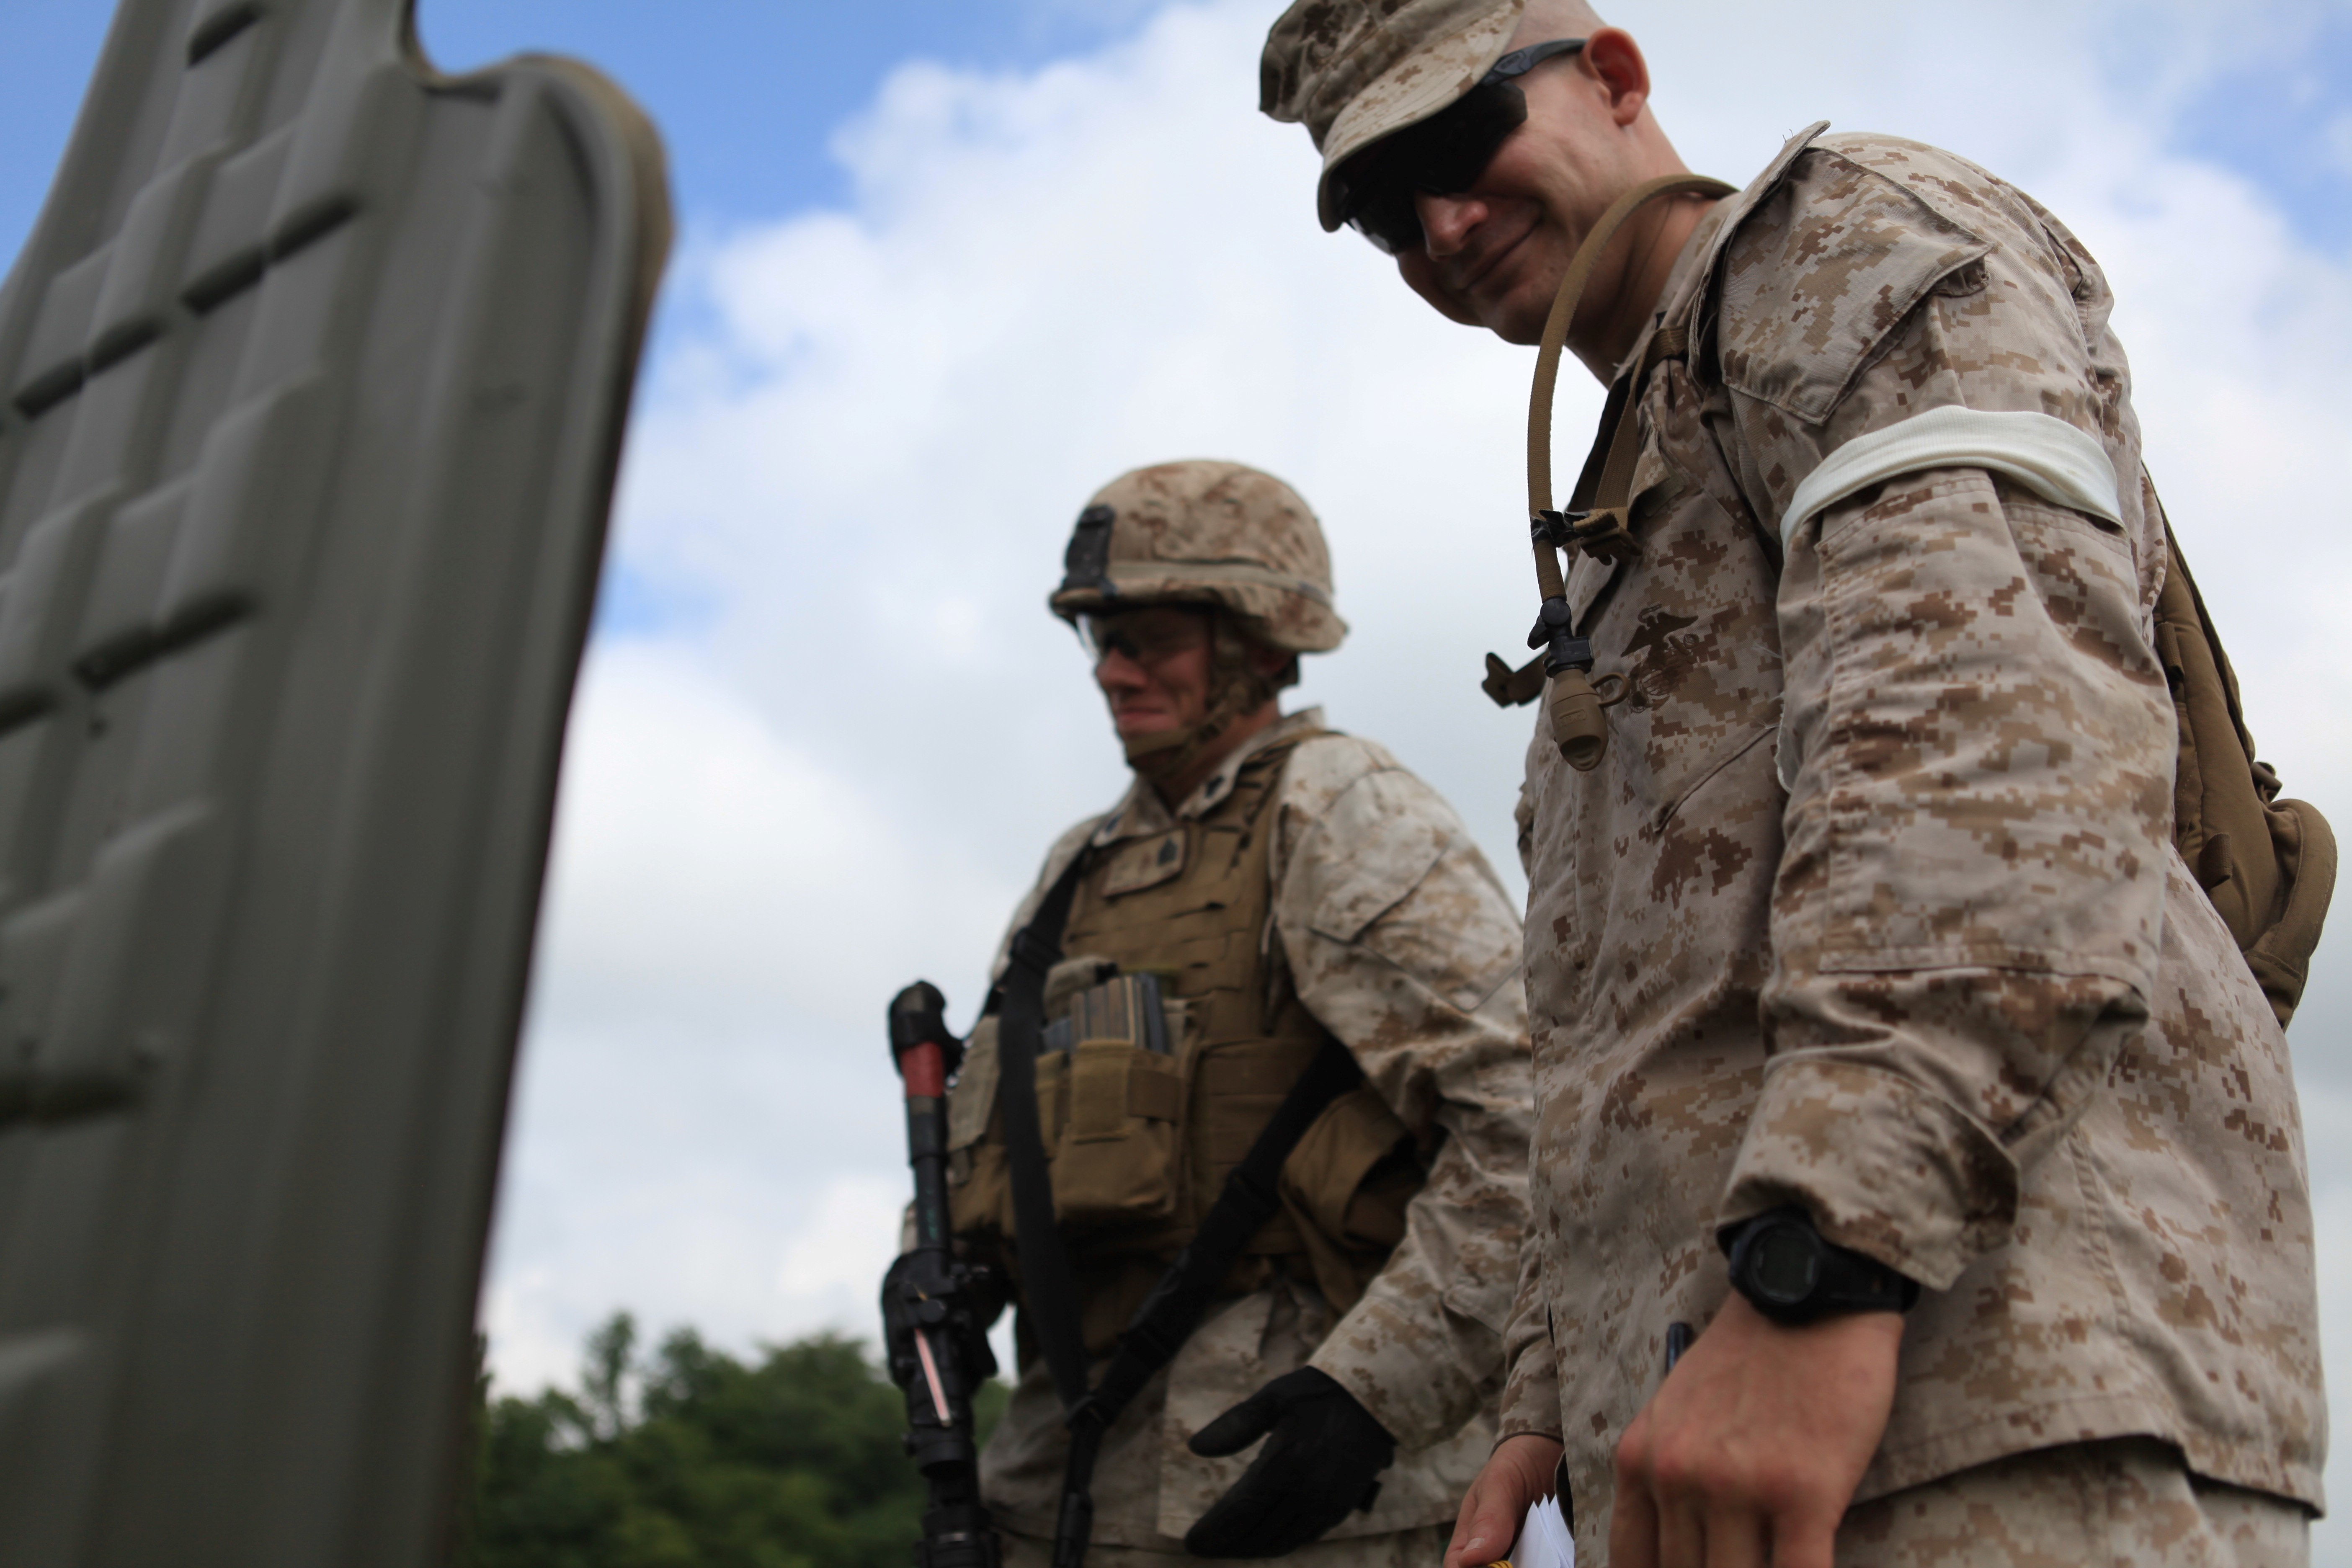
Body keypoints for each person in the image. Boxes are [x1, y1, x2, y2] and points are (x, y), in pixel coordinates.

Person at [1258, 3, 2328, 1566]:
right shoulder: (1632, 475)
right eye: (1378, 208)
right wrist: (1548, 1399)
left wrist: (1825, 1261)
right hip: (1733, 1428)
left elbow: (1986, 753)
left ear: (1615, 77)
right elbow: (1634, 1021)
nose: (1441, 223)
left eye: (1461, 140)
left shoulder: (1839, 243)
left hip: (1989, 1385)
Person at [913, 460, 1535, 1568]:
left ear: (1260, 638)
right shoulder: (1076, 870)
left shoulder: (1339, 811)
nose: (1113, 671)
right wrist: (933, 1276)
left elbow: (1532, 1117)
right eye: (1101, 638)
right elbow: (986, 1141)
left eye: (1151, 638)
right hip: (1058, 1486)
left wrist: (1373, 1392)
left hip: (1293, 1492)